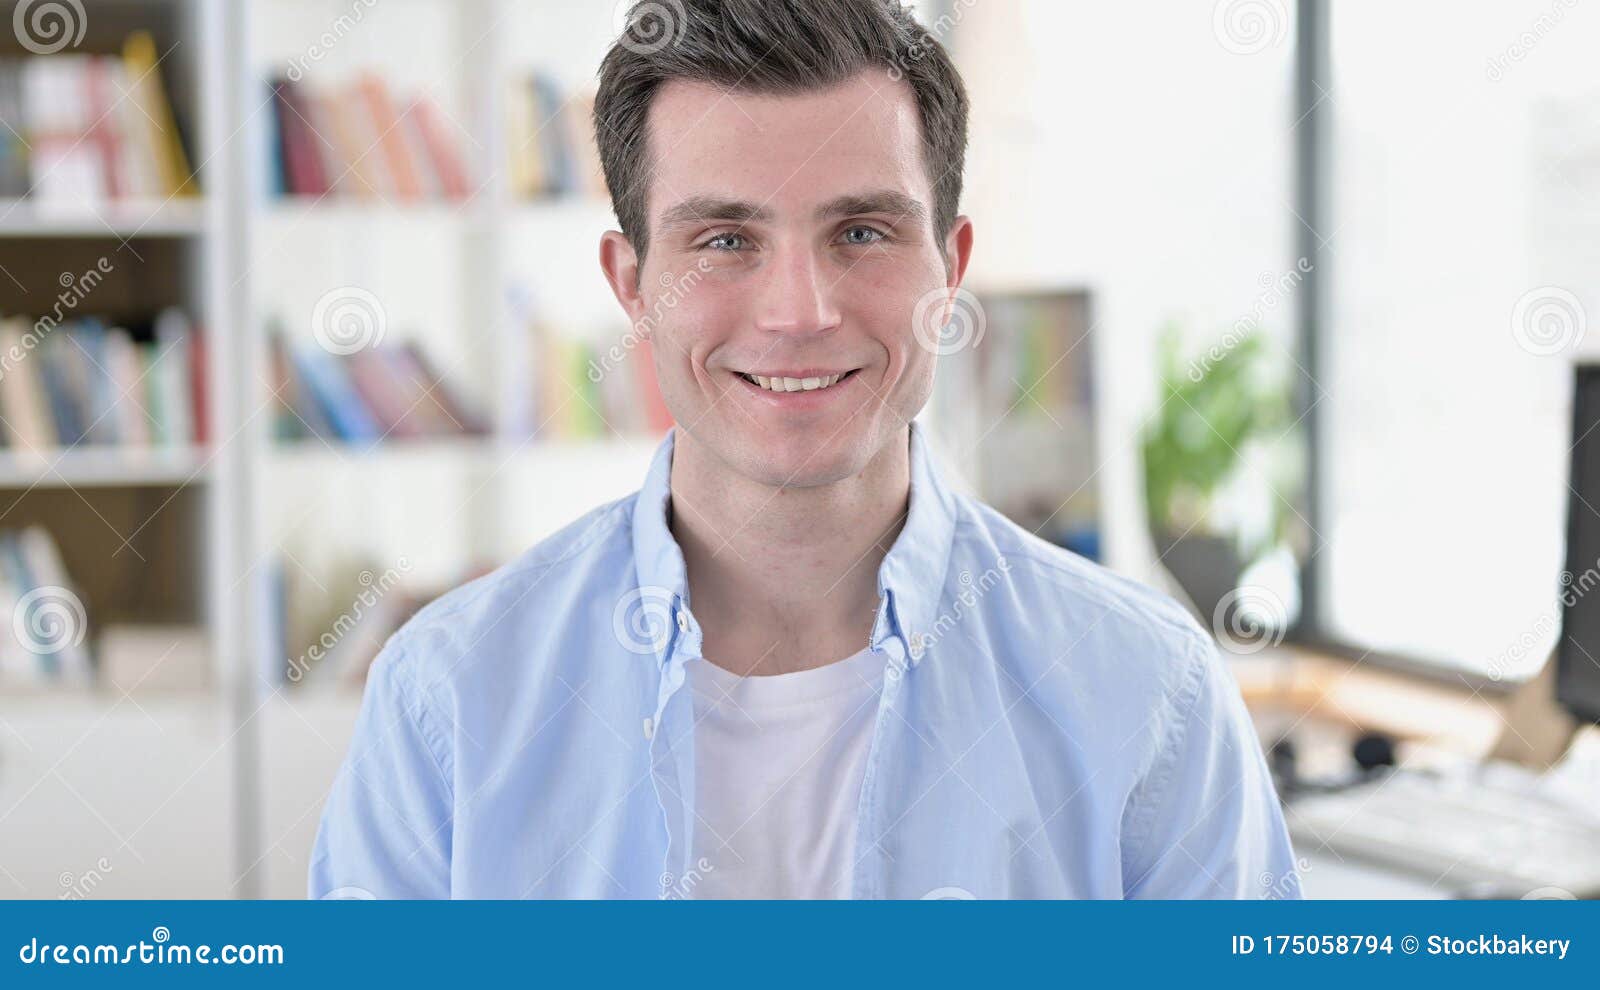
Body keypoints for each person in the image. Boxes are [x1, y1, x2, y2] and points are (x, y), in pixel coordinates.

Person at [309, 0, 1298, 900]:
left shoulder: (1146, 691)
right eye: (724, 241)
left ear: (949, 271)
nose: (799, 312)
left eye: (861, 232)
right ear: (630, 282)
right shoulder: (448, 697)